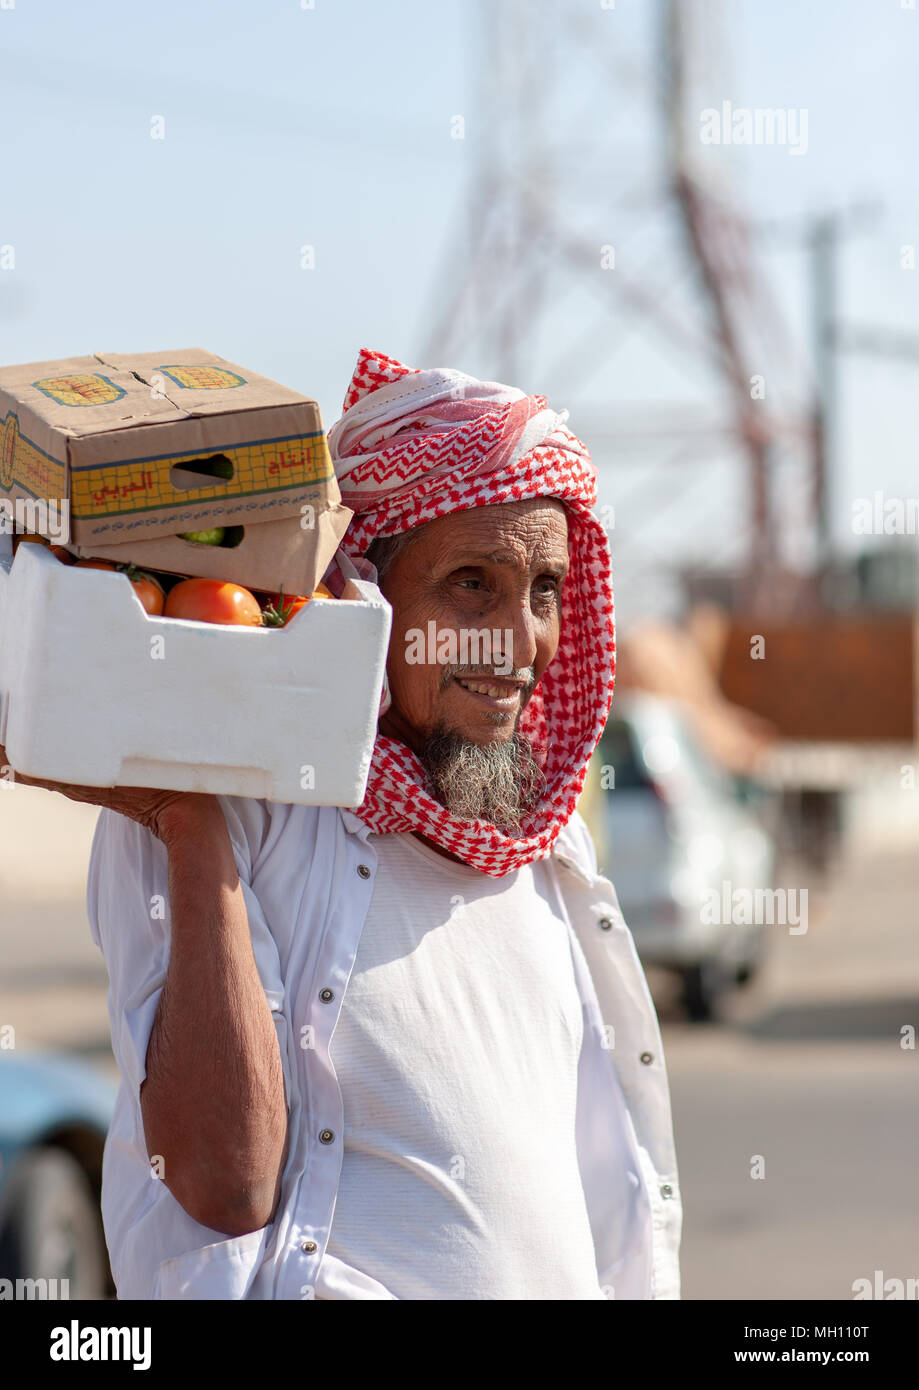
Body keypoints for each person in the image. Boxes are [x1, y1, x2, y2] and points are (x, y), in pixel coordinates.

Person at [1, 347, 682, 1299]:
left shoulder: (538, 841)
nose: (518, 641)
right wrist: (194, 829)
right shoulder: (228, 809)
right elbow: (223, 1184)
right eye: (471, 584)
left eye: (543, 591)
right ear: (366, 591)